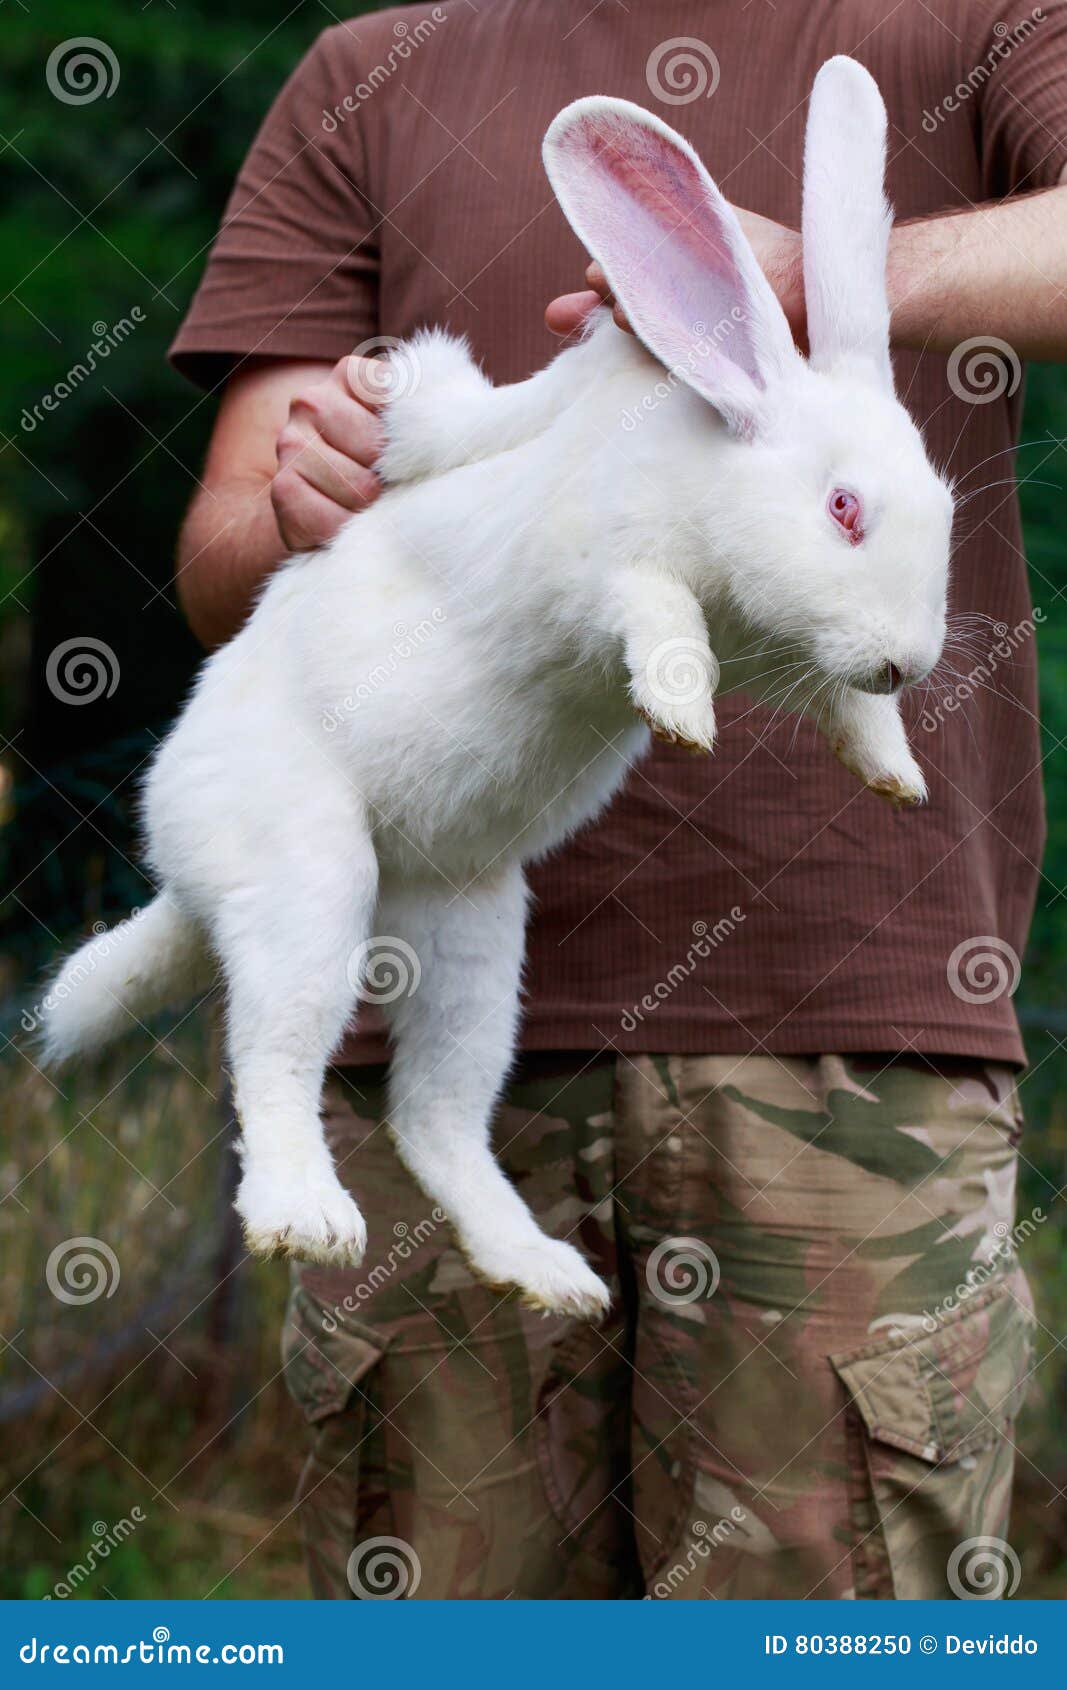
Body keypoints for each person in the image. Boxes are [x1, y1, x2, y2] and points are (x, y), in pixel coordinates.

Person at [169, 0, 1066, 1599]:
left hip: (855, 1032)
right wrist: (298, 500)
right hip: (425, 998)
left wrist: (840, 281)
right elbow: (229, 546)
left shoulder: (978, 25)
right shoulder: (375, 72)